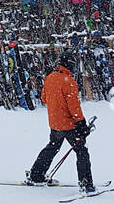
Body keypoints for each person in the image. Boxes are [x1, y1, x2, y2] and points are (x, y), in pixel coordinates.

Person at [26, 51, 95, 192]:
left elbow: (44, 98)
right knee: (81, 151)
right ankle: (86, 183)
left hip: (54, 123)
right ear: (70, 64)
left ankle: (36, 175)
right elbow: (74, 107)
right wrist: (81, 123)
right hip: (69, 125)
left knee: (52, 148)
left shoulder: (50, 78)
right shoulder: (69, 82)